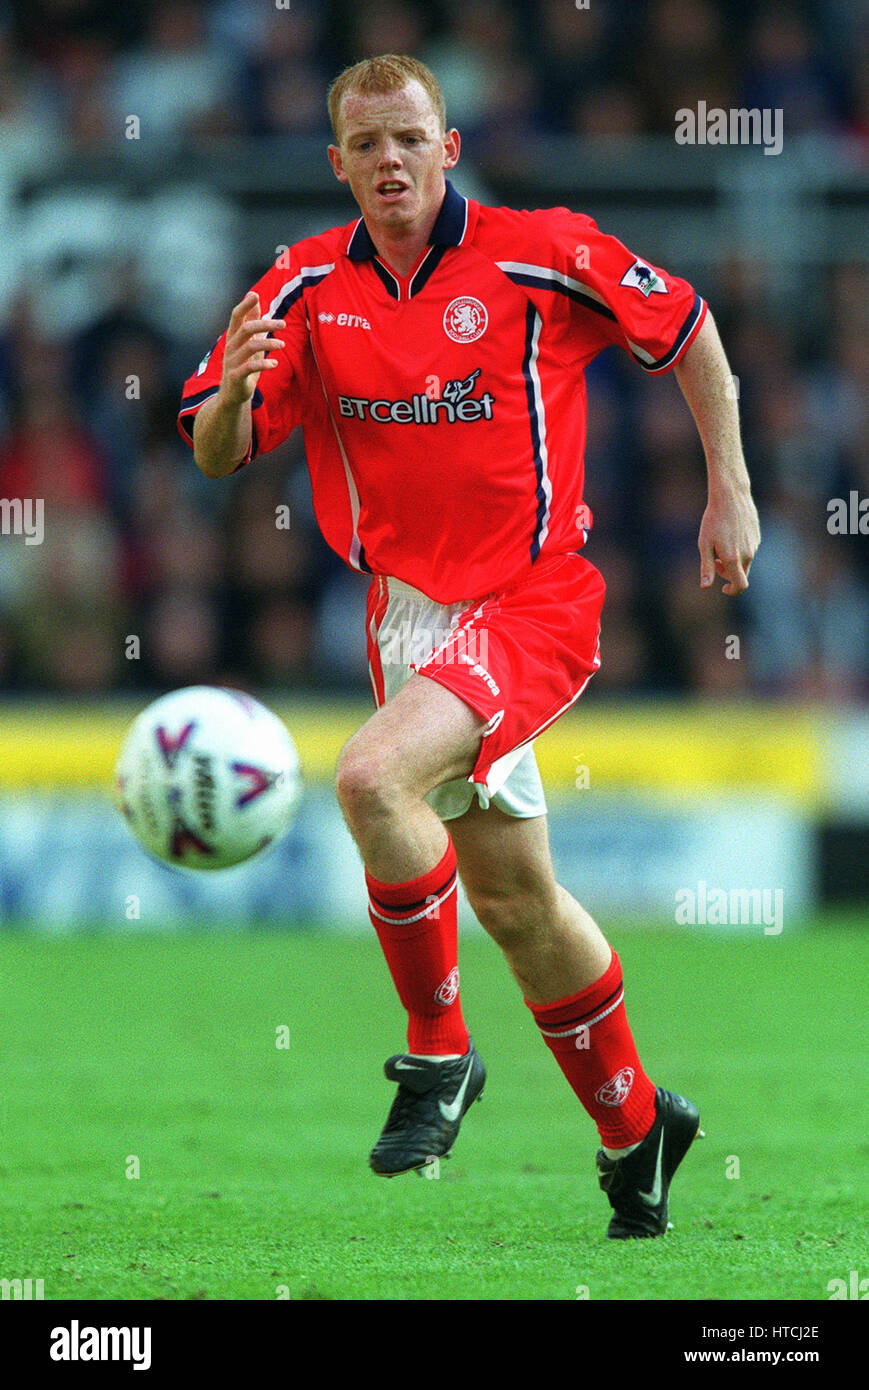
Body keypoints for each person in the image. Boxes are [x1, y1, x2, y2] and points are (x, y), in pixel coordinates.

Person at [178, 54, 760, 1238]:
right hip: (408, 621)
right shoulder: (298, 288)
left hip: (533, 602)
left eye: (409, 138)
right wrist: (236, 400)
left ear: (449, 147)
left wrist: (729, 489)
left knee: (365, 777)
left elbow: (686, 324)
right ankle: (637, 1127)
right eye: (364, 144)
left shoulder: (537, 249)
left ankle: (439, 1057)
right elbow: (215, 450)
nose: (388, 161)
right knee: (515, 903)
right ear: (334, 162)